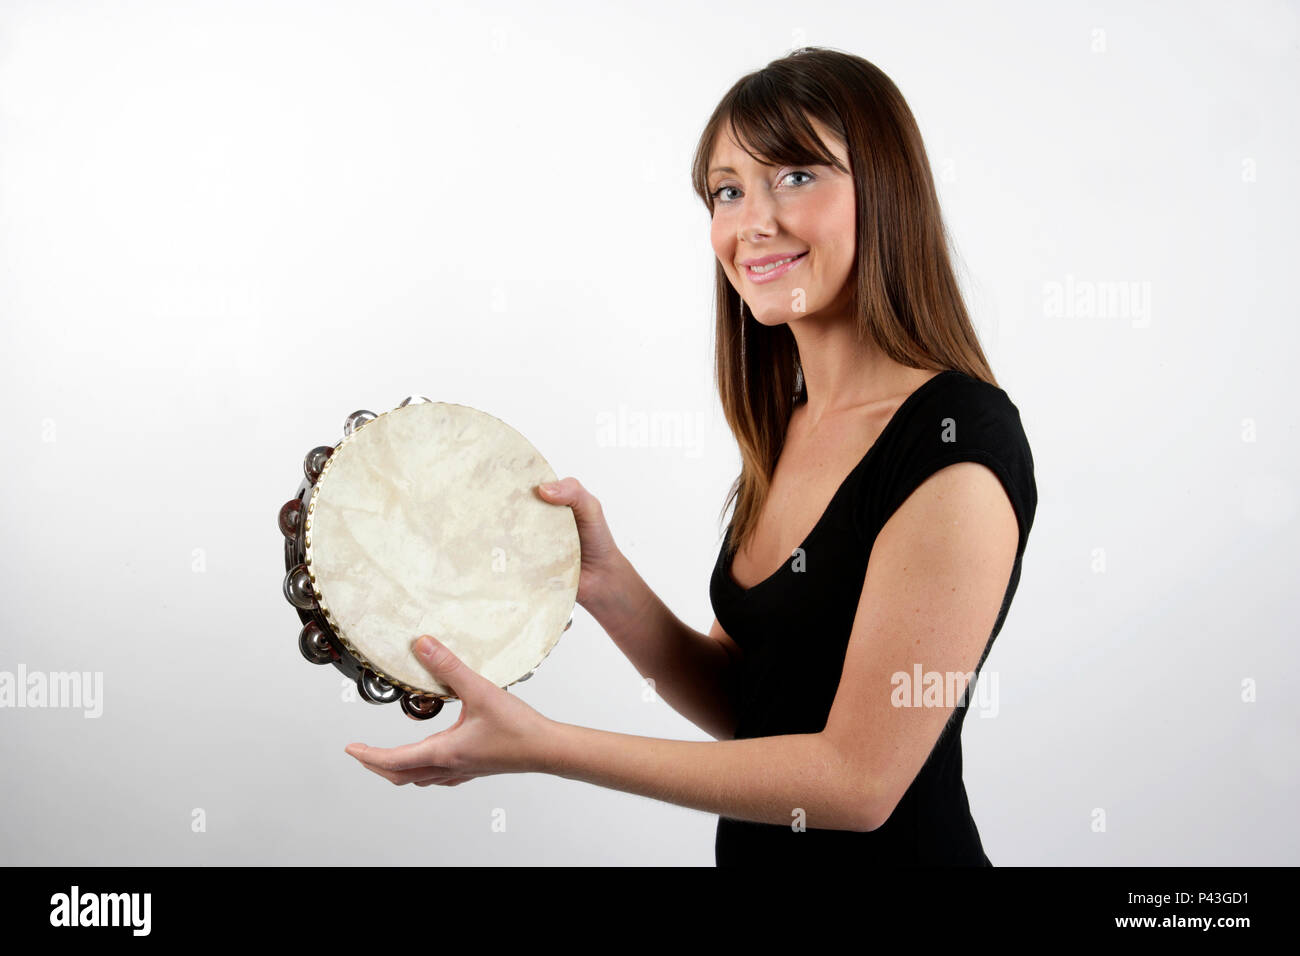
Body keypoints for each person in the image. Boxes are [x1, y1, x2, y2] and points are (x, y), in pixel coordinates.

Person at [345, 46, 1037, 867]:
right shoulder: (792, 421)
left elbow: (857, 782)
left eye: (798, 176)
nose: (753, 222)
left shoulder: (956, 444)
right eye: (728, 190)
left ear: (888, 192)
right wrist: (604, 582)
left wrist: (545, 746)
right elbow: (750, 702)